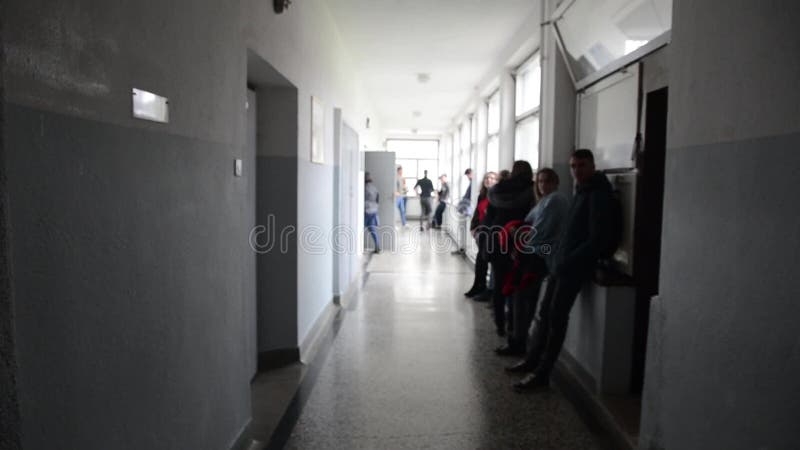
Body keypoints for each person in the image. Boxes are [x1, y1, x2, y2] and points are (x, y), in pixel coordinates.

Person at [509, 149, 616, 392]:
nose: (577, 170)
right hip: (560, 264)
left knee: (556, 319)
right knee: (545, 314)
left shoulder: (598, 195)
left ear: (592, 165)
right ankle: (532, 360)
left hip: (573, 268)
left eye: (582, 165)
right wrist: (557, 257)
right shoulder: (581, 192)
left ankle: (542, 373)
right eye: (573, 166)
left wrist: (566, 260)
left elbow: (596, 239)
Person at [495, 168, 569, 355]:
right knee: (522, 301)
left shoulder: (555, 201)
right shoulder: (544, 201)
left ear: (556, 182)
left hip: (538, 257)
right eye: (541, 181)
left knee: (525, 301)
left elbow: (539, 232)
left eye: (547, 181)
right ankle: (518, 341)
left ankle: (521, 343)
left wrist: (517, 236)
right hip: (532, 255)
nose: (543, 185)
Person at [479, 161, 536, 337]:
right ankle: (514, 325)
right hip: (519, 243)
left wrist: (485, 244)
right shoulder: (531, 191)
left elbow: (488, 221)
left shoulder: (497, 190)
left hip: (497, 241)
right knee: (516, 286)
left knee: (498, 285)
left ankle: (500, 325)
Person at [465, 171, 498, 299]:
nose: (488, 180)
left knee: (483, 260)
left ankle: (484, 288)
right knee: (481, 261)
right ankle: (478, 286)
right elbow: (477, 214)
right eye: (487, 178)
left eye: (492, 178)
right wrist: (473, 228)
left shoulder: (498, 196)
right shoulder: (482, 196)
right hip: (481, 232)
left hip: (491, 233)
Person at [364, 172, 381, 254]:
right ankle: (377, 247)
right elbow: (378, 199)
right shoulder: (374, 188)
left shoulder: (363, 188)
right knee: (372, 229)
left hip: (367, 210)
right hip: (374, 210)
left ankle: (356, 247)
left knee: (361, 228)